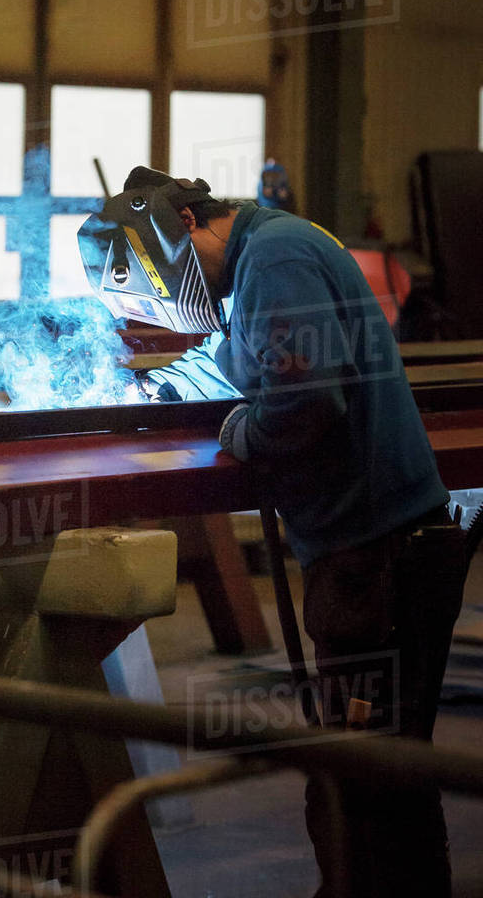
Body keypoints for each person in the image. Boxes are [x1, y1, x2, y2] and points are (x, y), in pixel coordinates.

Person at [77, 165, 468, 898]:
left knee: (366, 775)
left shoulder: (274, 261)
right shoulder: (262, 259)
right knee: (374, 770)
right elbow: (232, 361)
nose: (165, 303)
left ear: (184, 226)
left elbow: (302, 401)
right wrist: (155, 390)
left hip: (378, 556)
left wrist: (243, 431)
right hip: (378, 549)